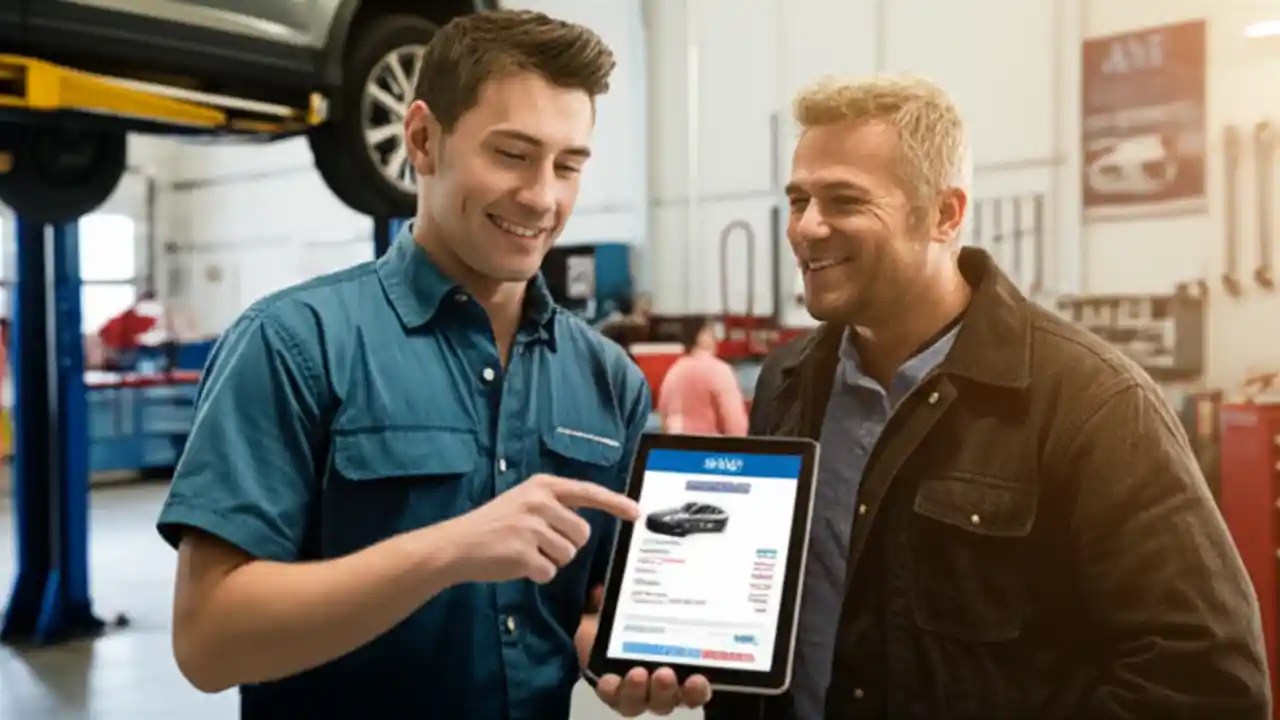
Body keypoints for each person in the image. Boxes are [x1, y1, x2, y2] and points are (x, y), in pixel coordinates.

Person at [155, 10, 710, 719]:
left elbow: (585, 612)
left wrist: (618, 656)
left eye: (568, 165)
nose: (543, 196)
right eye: (512, 154)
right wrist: (448, 550)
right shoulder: (294, 344)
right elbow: (209, 641)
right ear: (422, 139)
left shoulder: (610, 381)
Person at [705, 74, 1271, 719]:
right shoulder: (787, 383)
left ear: (945, 214)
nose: (807, 227)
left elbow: (1203, 681)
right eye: (799, 198)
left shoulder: (1093, 404)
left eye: (845, 200)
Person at [657, 316, 749, 436]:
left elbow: (663, 418)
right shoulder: (719, 370)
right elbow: (736, 424)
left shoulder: (673, 373)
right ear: (701, 336)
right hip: (709, 449)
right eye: (712, 333)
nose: (716, 339)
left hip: (676, 448)